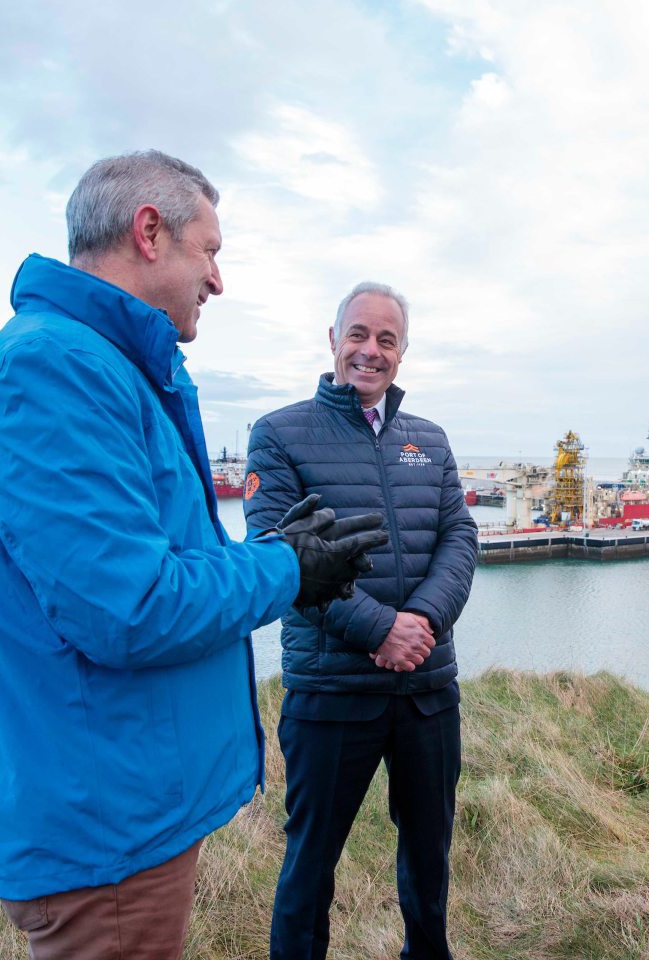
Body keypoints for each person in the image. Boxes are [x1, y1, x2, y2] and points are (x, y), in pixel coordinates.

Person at [0, 150, 385, 959]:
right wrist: (288, 566)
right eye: (209, 251)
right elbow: (131, 604)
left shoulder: (100, 366)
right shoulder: (53, 371)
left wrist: (276, 559)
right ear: (150, 232)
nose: (218, 280)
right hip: (104, 821)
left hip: (120, 800)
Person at [245, 281, 479, 960]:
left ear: (402, 352)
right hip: (332, 693)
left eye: (386, 339)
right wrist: (379, 629)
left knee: (430, 855)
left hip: (428, 688)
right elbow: (278, 555)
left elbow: (460, 539)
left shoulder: (428, 442)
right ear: (332, 340)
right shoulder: (280, 435)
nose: (370, 352)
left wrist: (422, 622)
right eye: (358, 335)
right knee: (311, 864)